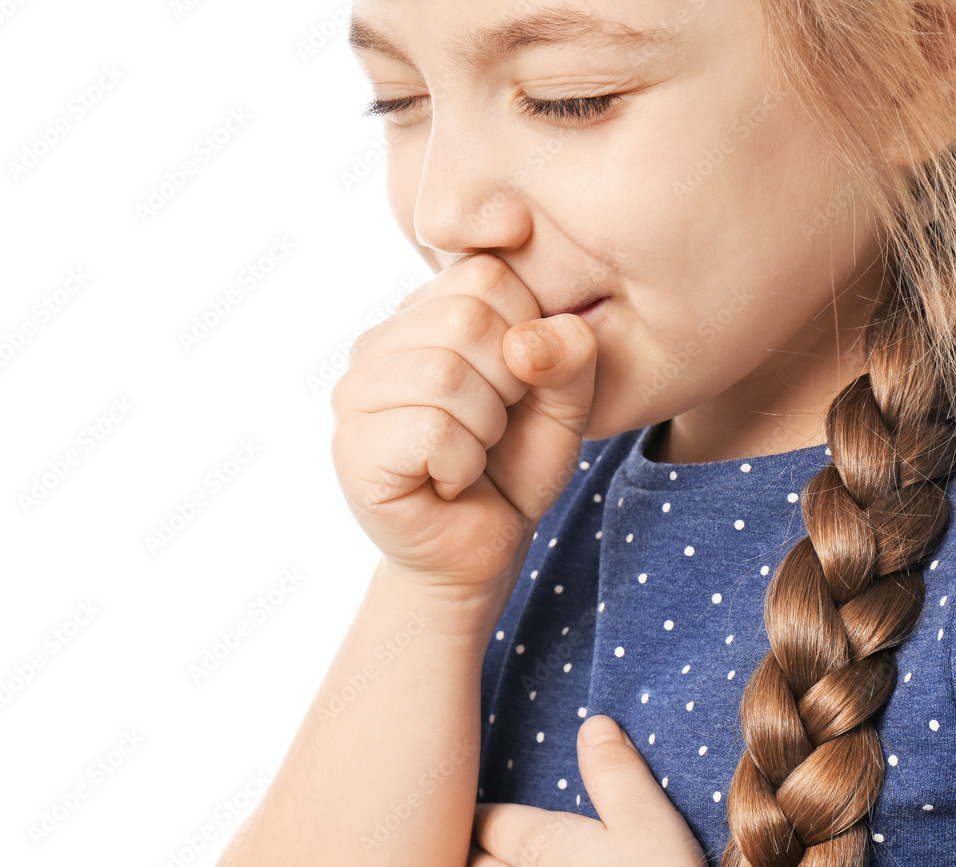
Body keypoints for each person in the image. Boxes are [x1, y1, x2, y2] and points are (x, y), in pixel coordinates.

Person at [216, 1, 956, 864]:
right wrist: (433, 588)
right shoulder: (531, 485)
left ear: (919, 66)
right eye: (401, 100)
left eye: (570, 99)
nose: (445, 213)